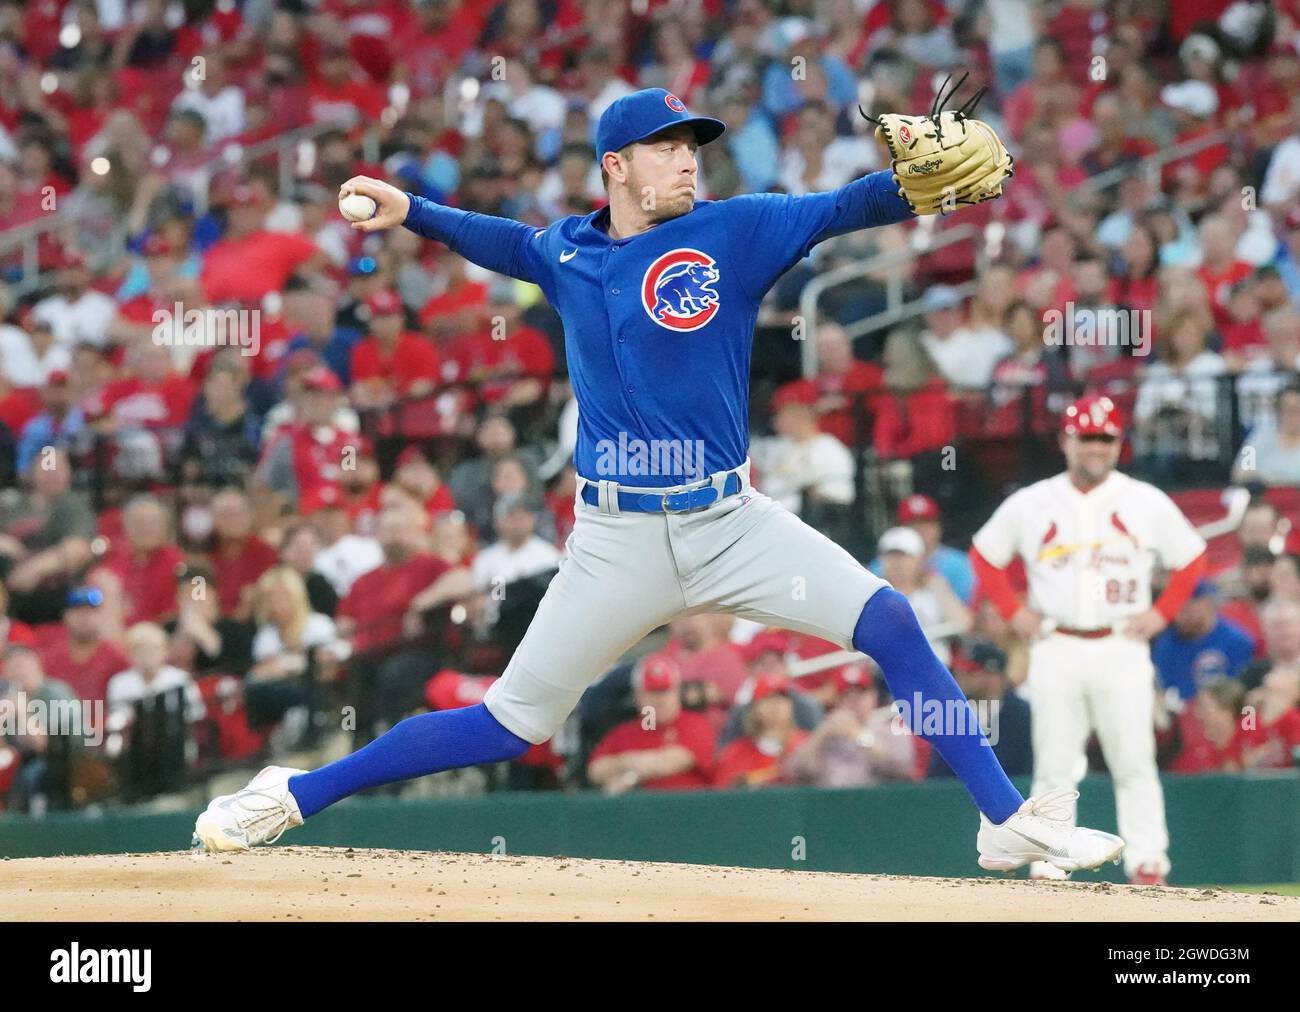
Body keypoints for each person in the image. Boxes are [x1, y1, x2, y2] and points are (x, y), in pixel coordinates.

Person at [196, 88, 1125, 876]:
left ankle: (1004, 821)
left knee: (890, 620)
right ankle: (291, 796)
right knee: (507, 725)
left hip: (732, 521)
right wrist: (413, 209)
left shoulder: (738, 230)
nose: (688, 162)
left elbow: (850, 207)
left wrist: (912, 183)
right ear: (615, 166)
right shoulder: (567, 252)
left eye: (694, 147)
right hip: (615, 543)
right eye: (667, 148)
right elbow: (507, 242)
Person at [970, 395, 1207, 886]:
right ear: (1066, 441)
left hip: (1121, 643)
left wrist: (1162, 613)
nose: (1096, 447)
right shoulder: (1033, 501)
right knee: (1055, 765)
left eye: (1105, 437)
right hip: (1057, 644)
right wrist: (1014, 611)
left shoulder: (1143, 500)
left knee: (1134, 761)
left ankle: (1148, 863)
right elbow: (984, 554)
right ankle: (1048, 862)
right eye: (1086, 437)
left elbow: (1192, 557)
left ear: (1119, 443)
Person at [587, 653, 715, 793]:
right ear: (637, 696)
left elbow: (676, 760)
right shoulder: (625, 732)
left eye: (664, 691)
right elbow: (596, 770)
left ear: (677, 692)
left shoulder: (695, 723)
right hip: (636, 810)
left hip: (686, 806)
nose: (659, 700)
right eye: (652, 692)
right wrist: (629, 761)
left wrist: (629, 776)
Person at [1150, 581, 1255, 701]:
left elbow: (1239, 699)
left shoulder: (1237, 642)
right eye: (1175, 606)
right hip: (1177, 714)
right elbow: (1162, 689)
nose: (1179, 613)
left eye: (1186, 606)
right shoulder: (1165, 644)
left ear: (1206, 603)